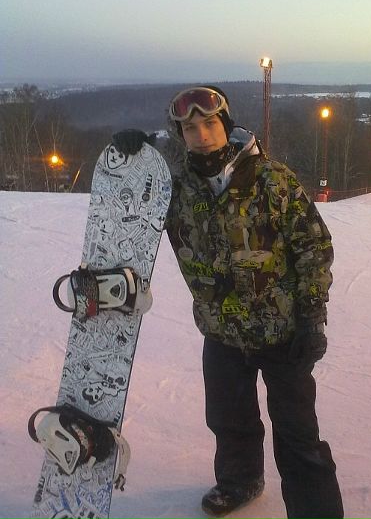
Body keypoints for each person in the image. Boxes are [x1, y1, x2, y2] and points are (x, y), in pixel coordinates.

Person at [112, 86, 344, 519]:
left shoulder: (271, 179)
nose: (201, 135)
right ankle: (241, 481)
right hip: (221, 333)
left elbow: (314, 248)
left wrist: (312, 317)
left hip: (282, 331)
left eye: (209, 124)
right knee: (229, 422)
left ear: (226, 124)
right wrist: (131, 164)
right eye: (190, 129)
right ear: (181, 135)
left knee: (297, 435)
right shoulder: (176, 190)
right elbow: (130, 217)